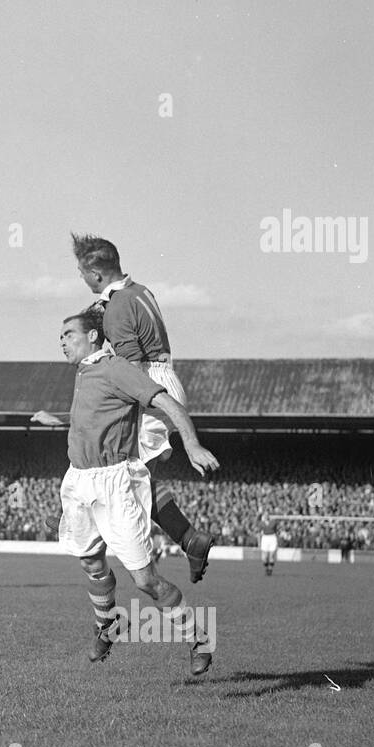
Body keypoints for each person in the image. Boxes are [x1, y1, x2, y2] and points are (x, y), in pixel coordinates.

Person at [31, 305, 219, 675]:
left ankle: (198, 638)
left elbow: (166, 401)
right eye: (60, 336)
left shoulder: (117, 368)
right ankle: (109, 624)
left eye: (68, 335)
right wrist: (61, 422)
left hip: (115, 483)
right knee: (90, 562)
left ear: (93, 338)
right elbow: (97, 415)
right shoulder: (86, 372)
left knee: (145, 580)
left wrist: (192, 444)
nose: (62, 342)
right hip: (78, 479)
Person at [72, 234, 216, 583]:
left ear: (95, 273)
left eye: (81, 271)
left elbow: (132, 369)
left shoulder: (117, 308)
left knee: (117, 470)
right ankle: (188, 539)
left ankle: (176, 542)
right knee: (133, 472)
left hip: (150, 382)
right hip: (165, 376)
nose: (80, 277)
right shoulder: (138, 291)